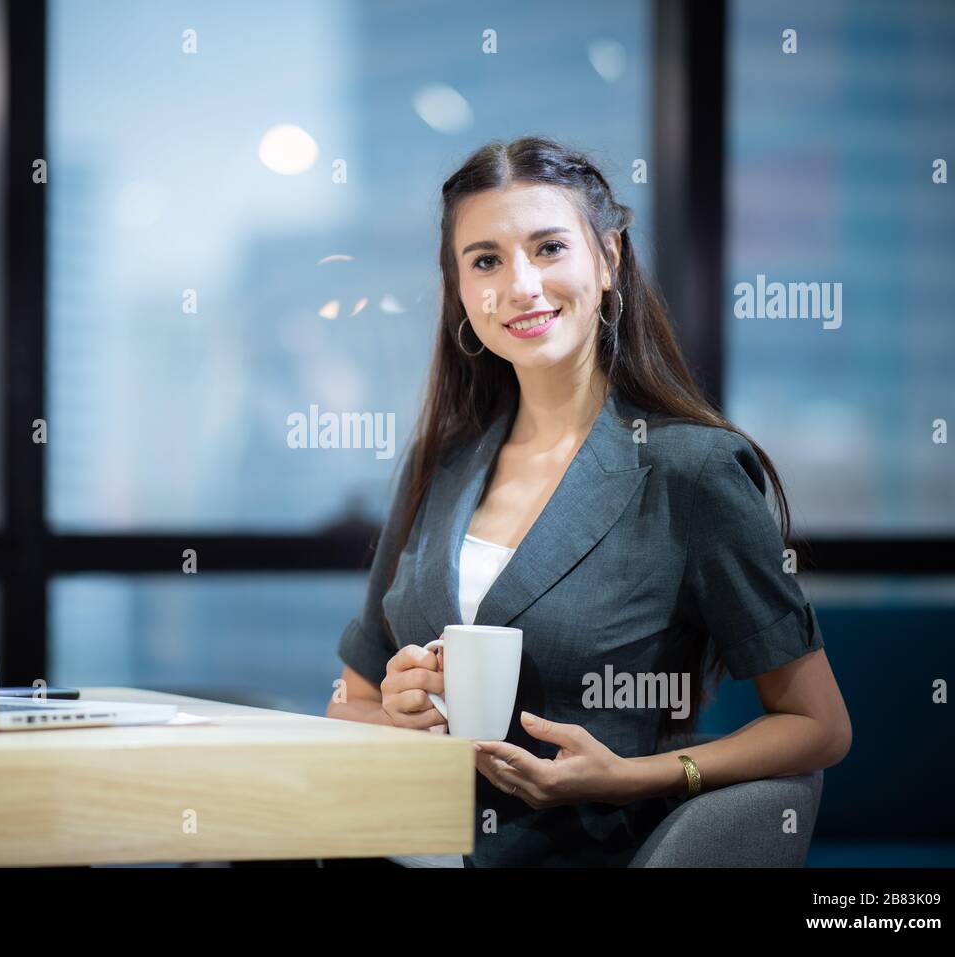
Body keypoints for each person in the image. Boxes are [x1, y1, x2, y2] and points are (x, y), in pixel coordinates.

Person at [324, 135, 852, 868]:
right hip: (399, 847)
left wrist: (633, 776)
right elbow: (345, 705)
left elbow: (819, 725)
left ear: (607, 259)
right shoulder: (438, 464)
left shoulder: (690, 471)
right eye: (485, 261)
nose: (520, 286)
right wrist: (398, 713)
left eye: (548, 248)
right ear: (459, 290)